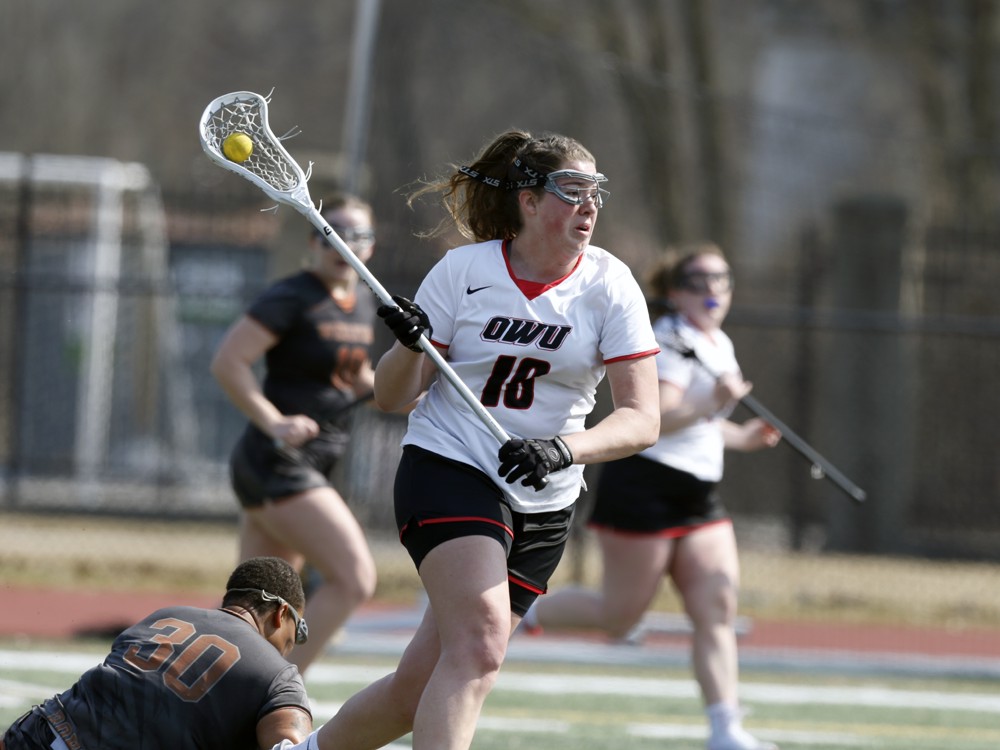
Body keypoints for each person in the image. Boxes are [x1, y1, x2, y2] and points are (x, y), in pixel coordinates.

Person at [272, 129, 661, 750]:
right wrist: (407, 344)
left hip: (546, 496)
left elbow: (642, 419)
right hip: (452, 464)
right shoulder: (464, 271)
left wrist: (563, 450)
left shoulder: (610, 285)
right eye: (572, 190)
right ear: (529, 202)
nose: (589, 205)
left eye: (597, 192)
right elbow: (394, 397)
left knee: (417, 687)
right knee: (481, 647)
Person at [520, 243, 782, 750]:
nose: (712, 291)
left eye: (721, 280)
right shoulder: (666, 338)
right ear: (675, 292)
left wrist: (741, 437)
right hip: (646, 489)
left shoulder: (716, 342)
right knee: (620, 616)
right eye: (699, 282)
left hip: (699, 495)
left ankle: (726, 729)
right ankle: (519, 610)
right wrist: (713, 401)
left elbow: (701, 427)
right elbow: (659, 421)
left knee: (716, 607)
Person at [210, 193, 379, 674]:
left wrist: (411, 389)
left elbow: (356, 375)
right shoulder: (292, 296)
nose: (346, 243)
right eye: (334, 233)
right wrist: (273, 420)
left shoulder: (363, 299)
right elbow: (229, 361)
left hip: (310, 462)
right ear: (313, 241)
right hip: (278, 461)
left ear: (372, 244)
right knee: (354, 579)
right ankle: (278, 689)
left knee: (259, 616)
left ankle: (223, 708)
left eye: (359, 235)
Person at [1, 556, 313, 750]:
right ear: (280, 613)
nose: (291, 646)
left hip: (36, 734)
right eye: (298, 632)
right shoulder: (279, 675)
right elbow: (291, 745)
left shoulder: (165, 615)